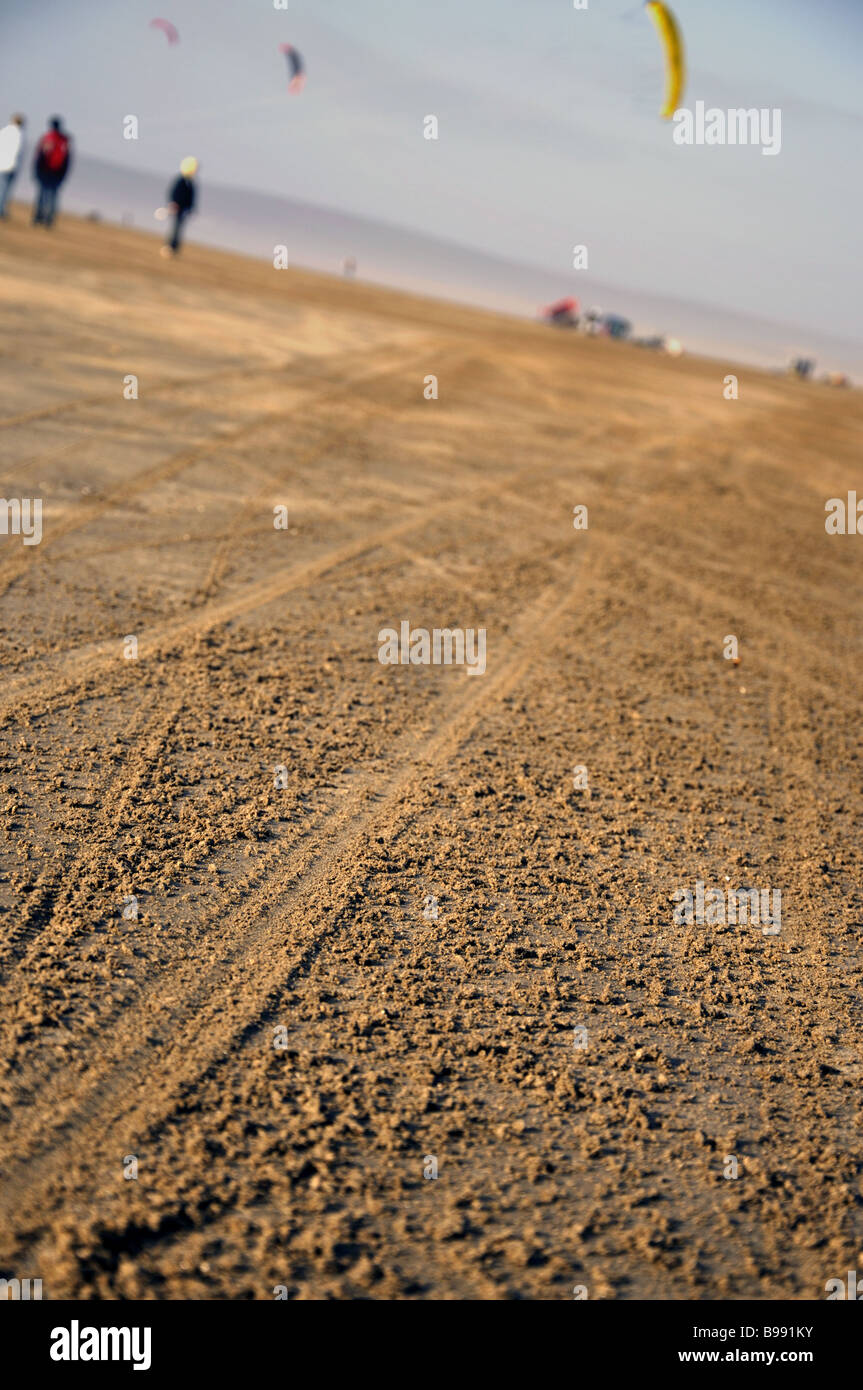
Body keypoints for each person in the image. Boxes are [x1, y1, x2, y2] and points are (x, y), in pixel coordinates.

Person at [32, 116, 71, 227]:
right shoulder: (64, 141)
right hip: (57, 173)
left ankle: (38, 217)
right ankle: (49, 219)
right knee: (53, 196)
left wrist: (37, 171)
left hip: (44, 171)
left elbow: (40, 156)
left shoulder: (47, 138)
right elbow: (67, 160)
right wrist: (64, 174)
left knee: (42, 195)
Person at [162, 157, 197, 256]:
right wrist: (174, 203)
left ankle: (174, 248)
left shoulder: (190, 183)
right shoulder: (181, 180)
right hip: (178, 209)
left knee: (178, 229)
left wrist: (191, 208)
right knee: (175, 228)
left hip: (184, 210)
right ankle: (170, 247)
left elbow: (191, 197)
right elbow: (174, 193)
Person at [0, 114, 25, 218]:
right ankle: (1, 209)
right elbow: (18, 152)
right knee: (5, 190)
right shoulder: (19, 134)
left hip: (2, 164)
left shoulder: (4, 131)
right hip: (11, 167)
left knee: (3, 188)